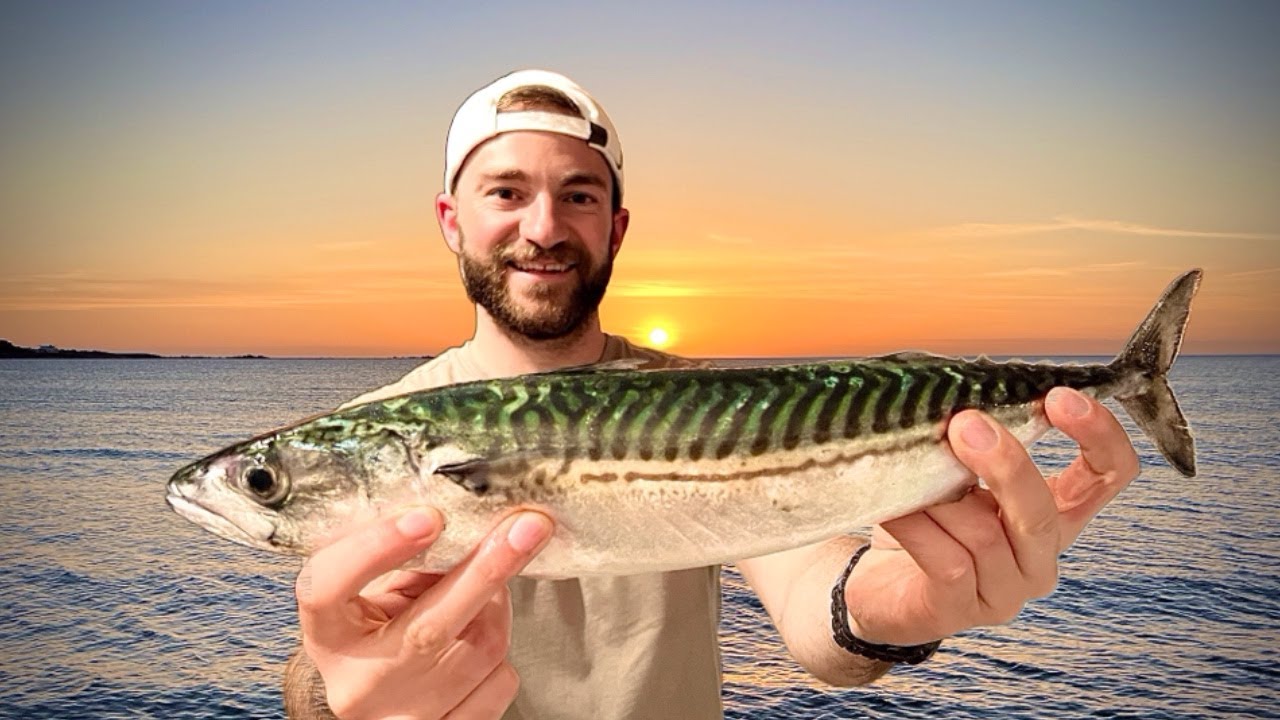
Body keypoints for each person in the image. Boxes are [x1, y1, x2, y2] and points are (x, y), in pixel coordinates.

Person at [282, 70, 1140, 720]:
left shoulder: (703, 400)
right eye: (505, 192)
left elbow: (812, 586)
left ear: (615, 226)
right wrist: (337, 697)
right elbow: (321, 656)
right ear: (449, 219)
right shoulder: (383, 430)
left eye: (577, 196)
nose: (542, 228)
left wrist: (905, 602)